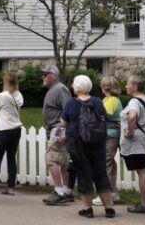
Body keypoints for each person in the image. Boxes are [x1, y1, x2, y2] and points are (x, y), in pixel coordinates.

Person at [60, 74, 115, 218]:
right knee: (100, 173)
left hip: (79, 143)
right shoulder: (97, 101)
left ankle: (87, 209)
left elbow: (64, 122)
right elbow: (104, 118)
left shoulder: (71, 103)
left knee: (84, 173)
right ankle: (109, 208)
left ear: (76, 87)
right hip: (97, 141)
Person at [120, 75, 145, 214]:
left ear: (135, 87)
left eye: (127, 84)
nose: (126, 86)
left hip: (137, 144)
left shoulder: (134, 102)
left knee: (142, 172)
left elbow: (132, 116)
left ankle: (144, 204)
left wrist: (130, 131)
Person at [41, 64, 73, 205]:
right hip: (56, 128)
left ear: (54, 75)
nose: (43, 77)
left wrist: (64, 131)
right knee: (62, 161)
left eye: (46, 74)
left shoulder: (60, 89)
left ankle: (59, 191)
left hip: (58, 129)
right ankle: (65, 191)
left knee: (51, 159)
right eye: (43, 74)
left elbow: (68, 111)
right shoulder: (54, 89)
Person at [93, 76, 123, 206]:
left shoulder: (111, 100)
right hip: (110, 134)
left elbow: (105, 115)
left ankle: (105, 195)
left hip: (109, 135)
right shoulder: (109, 99)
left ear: (103, 87)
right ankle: (113, 193)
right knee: (110, 164)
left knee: (105, 164)